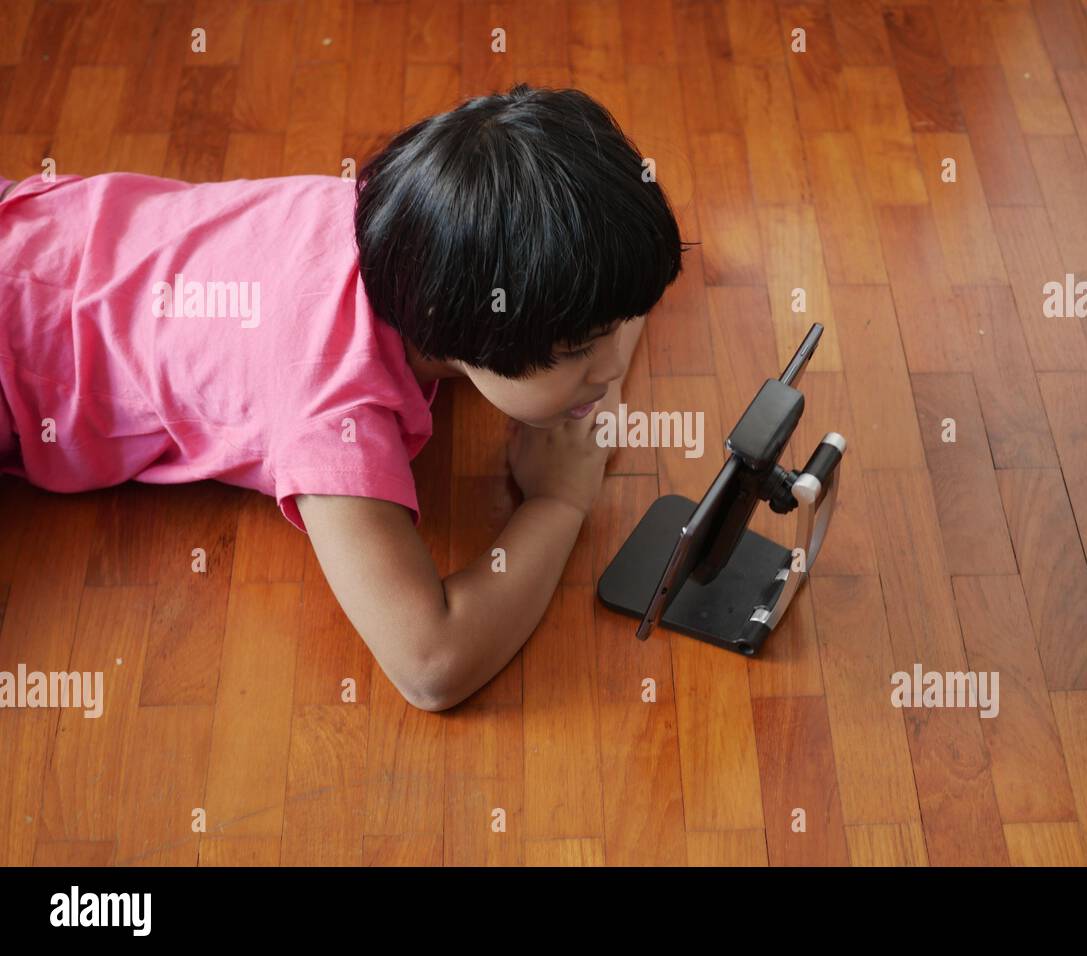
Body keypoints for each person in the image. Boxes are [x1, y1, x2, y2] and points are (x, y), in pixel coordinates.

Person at [0, 83, 691, 711]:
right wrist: (558, 500)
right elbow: (430, 663)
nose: (610, 366)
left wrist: (584, 375)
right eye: (579, 351)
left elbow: (616, 291)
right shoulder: (332, 412)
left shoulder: (414, 210)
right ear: (465, 326)